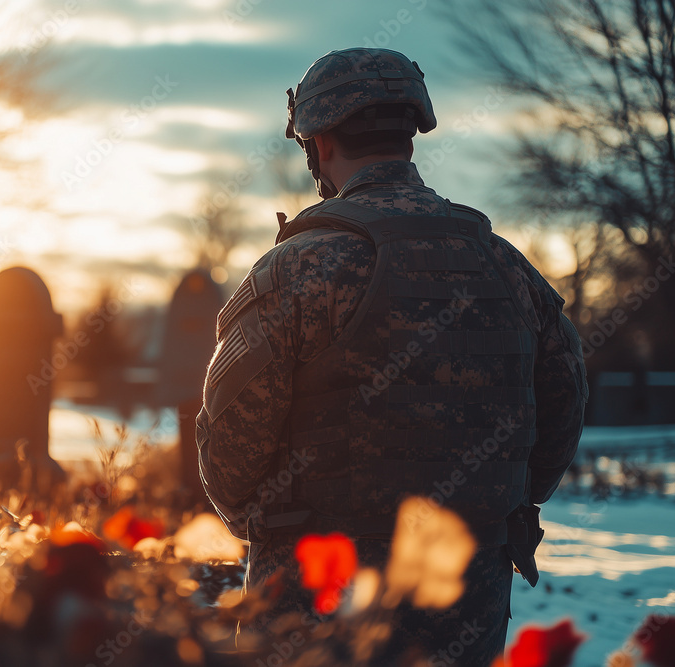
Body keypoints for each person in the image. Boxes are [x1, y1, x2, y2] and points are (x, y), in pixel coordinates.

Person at [195, 48, 587, 664]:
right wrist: (495, 503)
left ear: (319, 144)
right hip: (467, 594)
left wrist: (273, 523)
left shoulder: (297, 269)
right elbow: (565, 398)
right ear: (410, 135)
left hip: (318, 595)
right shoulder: (505, 264)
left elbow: (230, 448)